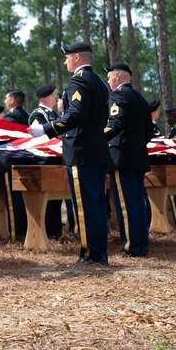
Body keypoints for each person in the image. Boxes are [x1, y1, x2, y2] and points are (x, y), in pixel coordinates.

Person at [28, 42, 111, 266]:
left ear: (75, 58)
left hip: (82, 151)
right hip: (97, 150)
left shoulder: (79, 81)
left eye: (67, 58)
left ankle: (90, 253)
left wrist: (45, 130)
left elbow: (76, 115)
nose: (65, 62)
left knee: (85, 204)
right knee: (97, 204)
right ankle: (99, 251)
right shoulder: (100, 83)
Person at [103, 62, 153, 257]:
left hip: (122, 156)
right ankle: (141, 245)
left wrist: (99, 139)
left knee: (126, 203)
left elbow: (115, 123)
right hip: (138, 156)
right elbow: (148, 132)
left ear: (116, 76)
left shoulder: (118, 95)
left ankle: (131, 246)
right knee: (138, 203)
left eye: (109, 77)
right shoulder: (140, 98)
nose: (108, 81)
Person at [29, 85, 68, 239]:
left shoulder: (52, 114)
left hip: (57, 160)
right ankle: (50, 234)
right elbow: (38, 132)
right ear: (44, 97)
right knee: (48, 201)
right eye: (53, 95)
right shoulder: (38, 114)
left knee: (56, 200)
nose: (55, 98)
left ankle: (56, 232)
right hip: (45, 161)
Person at [0, 89, 30, 244]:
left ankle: (16, 235)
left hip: (10, 163)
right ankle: (24, 232)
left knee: (12, 202)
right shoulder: (27, 117)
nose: (4, 101)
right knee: (23, 200)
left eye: (6, 98)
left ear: (12, 100)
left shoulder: (10, 117)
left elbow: (3, 139)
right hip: (25, 163)